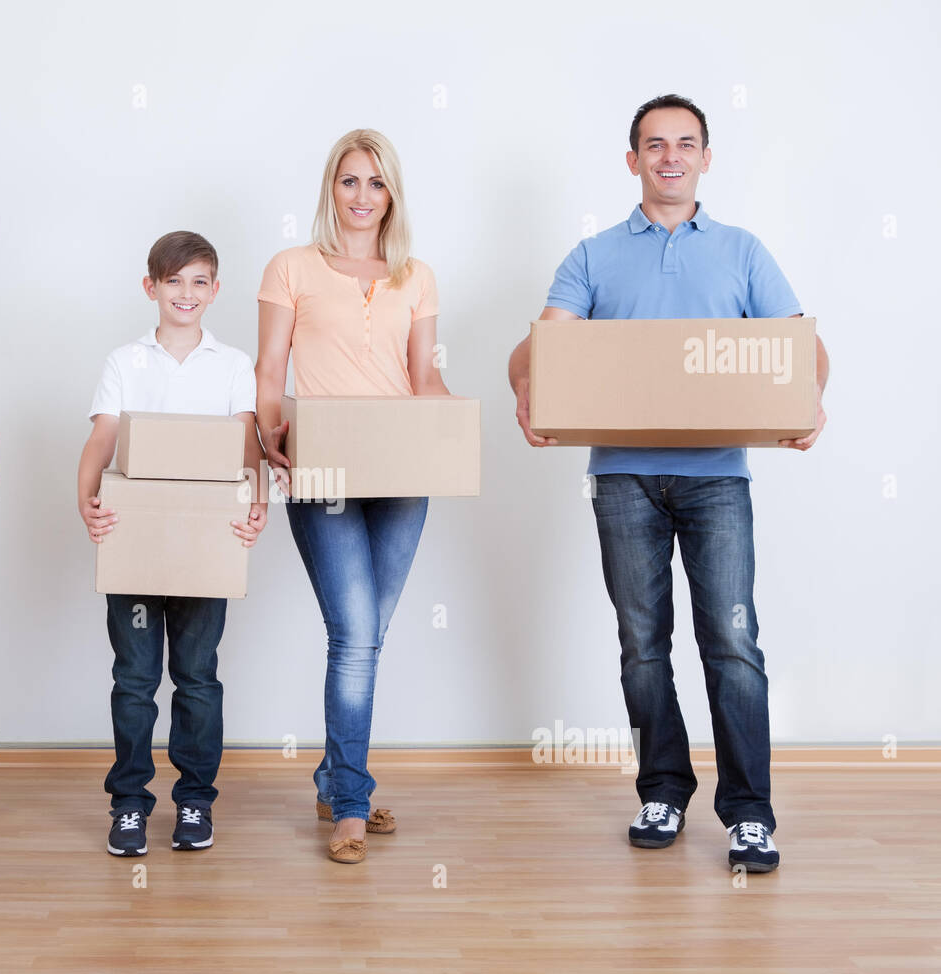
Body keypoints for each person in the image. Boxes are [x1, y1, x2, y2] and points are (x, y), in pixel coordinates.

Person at [507, 94, 829, 873]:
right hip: (621, 475)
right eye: (655, 144)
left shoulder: (743, 251)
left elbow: (802, 348)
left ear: (706, 158)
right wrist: (527, 390)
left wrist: (809, 398)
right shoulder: (592, 256)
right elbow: (538, 350)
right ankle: (662, 789)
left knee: (733, 641)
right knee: (643, 644)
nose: (671, 156)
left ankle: (749, 813)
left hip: (718, 476)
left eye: (686, 143)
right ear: (633, 161)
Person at [257, 129, 452, 864]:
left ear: (391, 193)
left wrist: (458, 419)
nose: (362, 196)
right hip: (326, 473)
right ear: (330, 190)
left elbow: (424, 377)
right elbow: (270, 365)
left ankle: (335, 774)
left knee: (366, 635)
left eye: (375, 183)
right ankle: (350, 803)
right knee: (355, 637)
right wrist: (267, 430)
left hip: (402, 475)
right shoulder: (291, 268)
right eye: (349, 181)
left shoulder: (417, 276)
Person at [78, 231, 266, 856]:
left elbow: (246, 449)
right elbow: (103, 440)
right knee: (134, 679)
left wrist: (257, 503)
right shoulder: (124, 361)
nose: (186, 294)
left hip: (206, 543)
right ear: (150, 287)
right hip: (135, 541)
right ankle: (129, 804)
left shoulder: (233, 365)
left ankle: (194, 803)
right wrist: (86, 502)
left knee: (197, 677)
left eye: (199, 282)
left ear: (215, 290)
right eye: (173, 281)